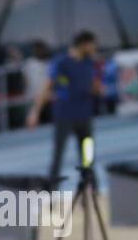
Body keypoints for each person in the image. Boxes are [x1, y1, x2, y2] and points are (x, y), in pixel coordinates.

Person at [28, 30, 103, 184]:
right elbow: (47, 87)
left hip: (85, 117)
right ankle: (50, 191)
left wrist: (98, 88)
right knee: (58, 156)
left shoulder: (89, 63)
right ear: (84, 44)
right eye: (92, 44)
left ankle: (90, 187)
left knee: (87, 155)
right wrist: (35, 112)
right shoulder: (61, 62)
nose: (95, 48)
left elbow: (95, 87)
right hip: (65, 116)